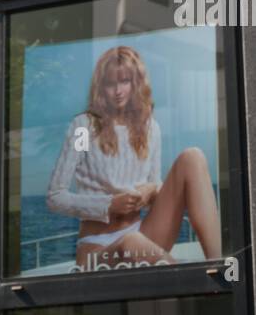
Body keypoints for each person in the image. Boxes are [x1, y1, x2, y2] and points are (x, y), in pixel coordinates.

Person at [46, 45, 221, 268]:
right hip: (97, 247)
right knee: (131, 242)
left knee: (193, 157)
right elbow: (55, 197)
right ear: (101, 87)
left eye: (125, 81)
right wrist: (109, 205)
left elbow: (155, 184)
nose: (118, 91)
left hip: (143, 233)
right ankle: (194, 281)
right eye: (110, 84)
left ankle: (218, 267)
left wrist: (152, 191)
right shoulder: (84, 128)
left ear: (136, 83)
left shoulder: (150, 129)